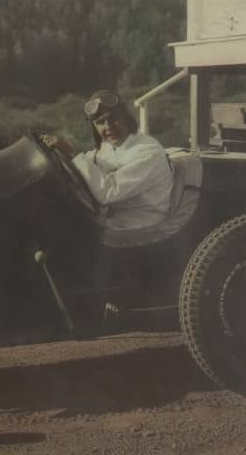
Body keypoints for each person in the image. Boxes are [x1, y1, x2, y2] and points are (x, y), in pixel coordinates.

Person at [41, 89, 174, 333]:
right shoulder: (111, 146)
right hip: (119, 215)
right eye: (100, 122)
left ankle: (89, 316)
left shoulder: (146, 151)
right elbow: (93, 161)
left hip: (140, 222)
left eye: (114, 119)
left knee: (76, 233)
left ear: (126, 117)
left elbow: (108, 191)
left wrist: (71, 152)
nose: (107, 127)